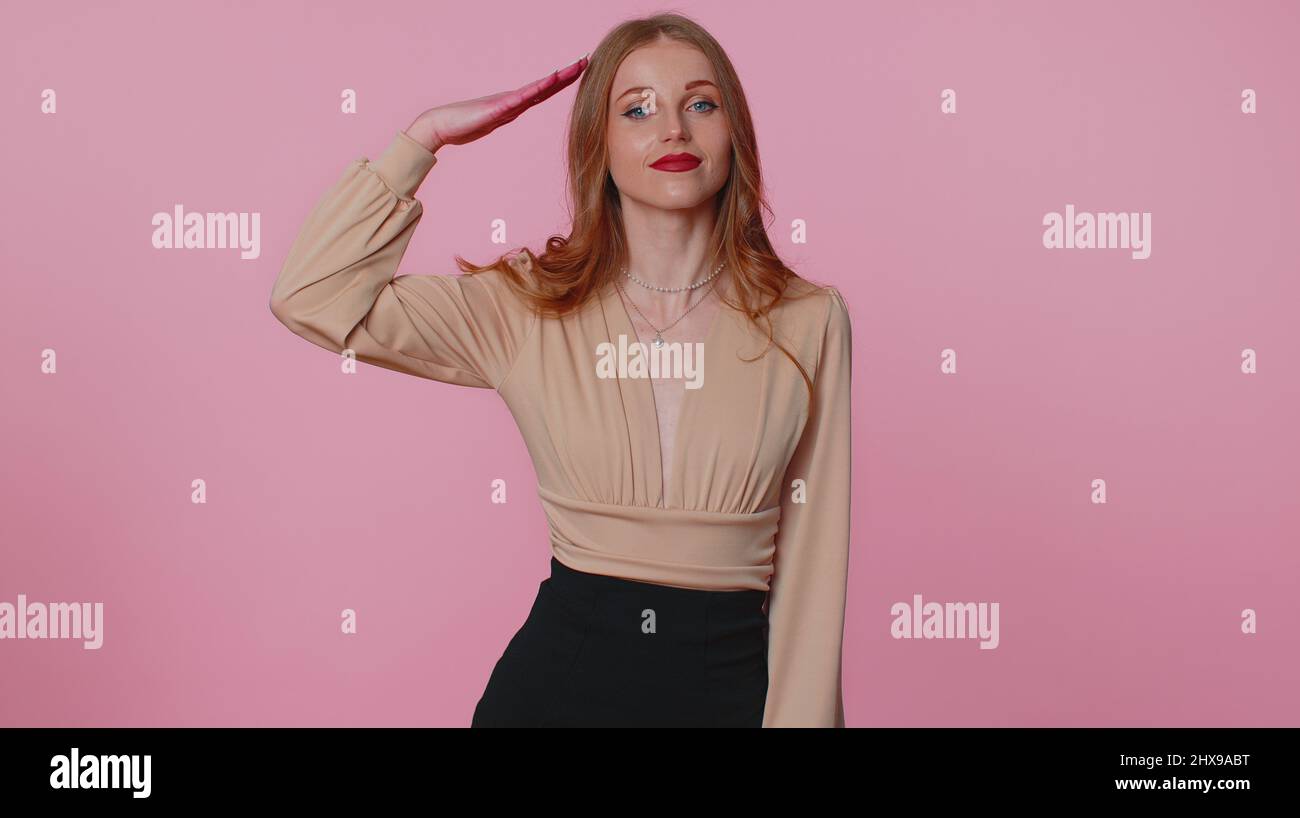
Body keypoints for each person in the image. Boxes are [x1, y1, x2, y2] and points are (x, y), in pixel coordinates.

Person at [269, 12, 852, 727]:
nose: (673, 129)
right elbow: (310, 295)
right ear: (596, 145)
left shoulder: (808, 318)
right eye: (636, 109)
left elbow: (813, 568)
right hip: (555, 694)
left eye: (701, 104)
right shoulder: (528, 307)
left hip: (730, 695)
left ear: (735, 134)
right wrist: (423, 140)